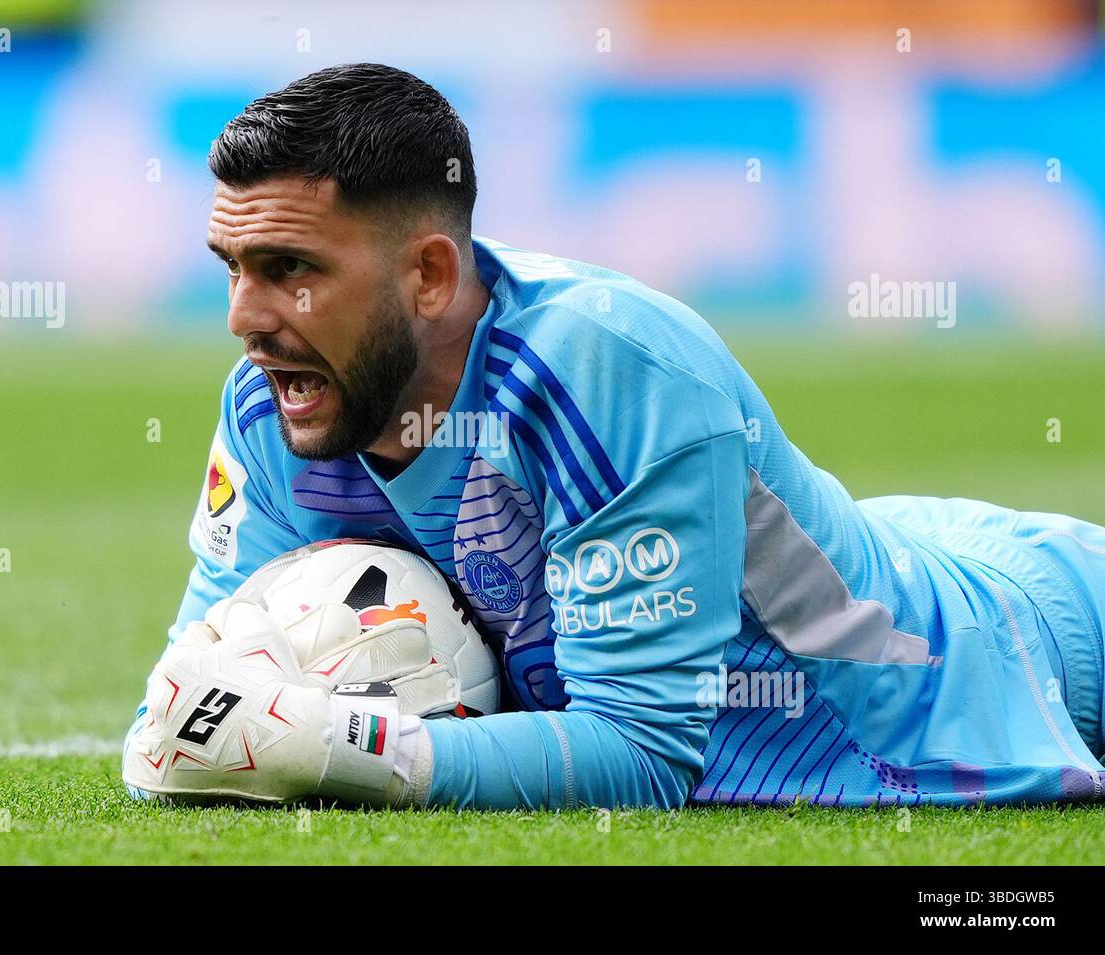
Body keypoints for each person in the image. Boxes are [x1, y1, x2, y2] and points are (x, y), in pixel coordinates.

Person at [123, 63, 1105, 809]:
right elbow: (179, 704)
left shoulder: (601, 368)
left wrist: (329, 742)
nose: (243, 317)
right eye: (231, 267)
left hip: (1020, 640)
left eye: (288, 267)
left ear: (427, 275)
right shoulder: (277, 396)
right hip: (894, 540)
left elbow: (642, 754)